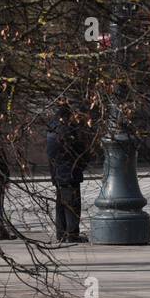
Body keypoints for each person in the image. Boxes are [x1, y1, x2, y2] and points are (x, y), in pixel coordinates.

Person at [46, 102, 89, 243]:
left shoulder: (51, 130)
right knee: (72, 205)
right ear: (67, 117)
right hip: (69, 172)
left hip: (58, 173)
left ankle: (61, 233)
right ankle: (72, 234)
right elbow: (79, 150)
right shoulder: (66, 131)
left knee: (61, 204)